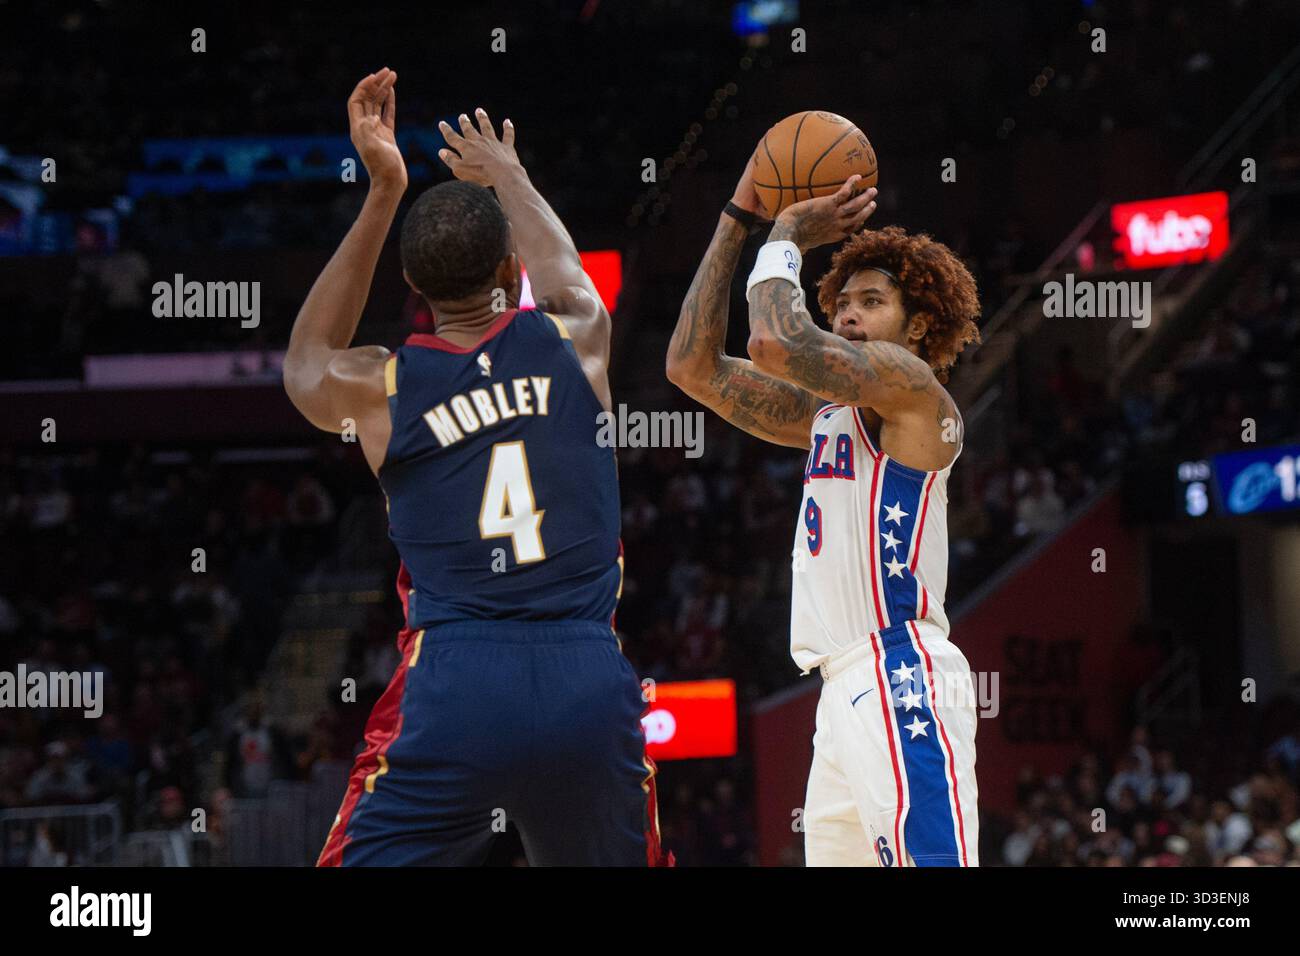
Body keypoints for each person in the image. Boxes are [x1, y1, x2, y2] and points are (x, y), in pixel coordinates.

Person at [284, 69, 665, 866]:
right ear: (507, 275)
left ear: (414, 287)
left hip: (455, 680)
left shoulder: (383, 386)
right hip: (585, 673)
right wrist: (510, 174)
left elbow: (306, 359)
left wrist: (382, 190)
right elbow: (567, 276)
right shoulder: (573, 341)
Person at [667, 155, 981, 866]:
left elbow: (774, 341)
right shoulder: (826, 413)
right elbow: (690, 367)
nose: (847, 313)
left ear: (920, 325)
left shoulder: (913, 386)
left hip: (900, 668)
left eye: (871, 301)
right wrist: (734, 220)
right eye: (841, 302)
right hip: (838, 688)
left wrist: (784, 229)